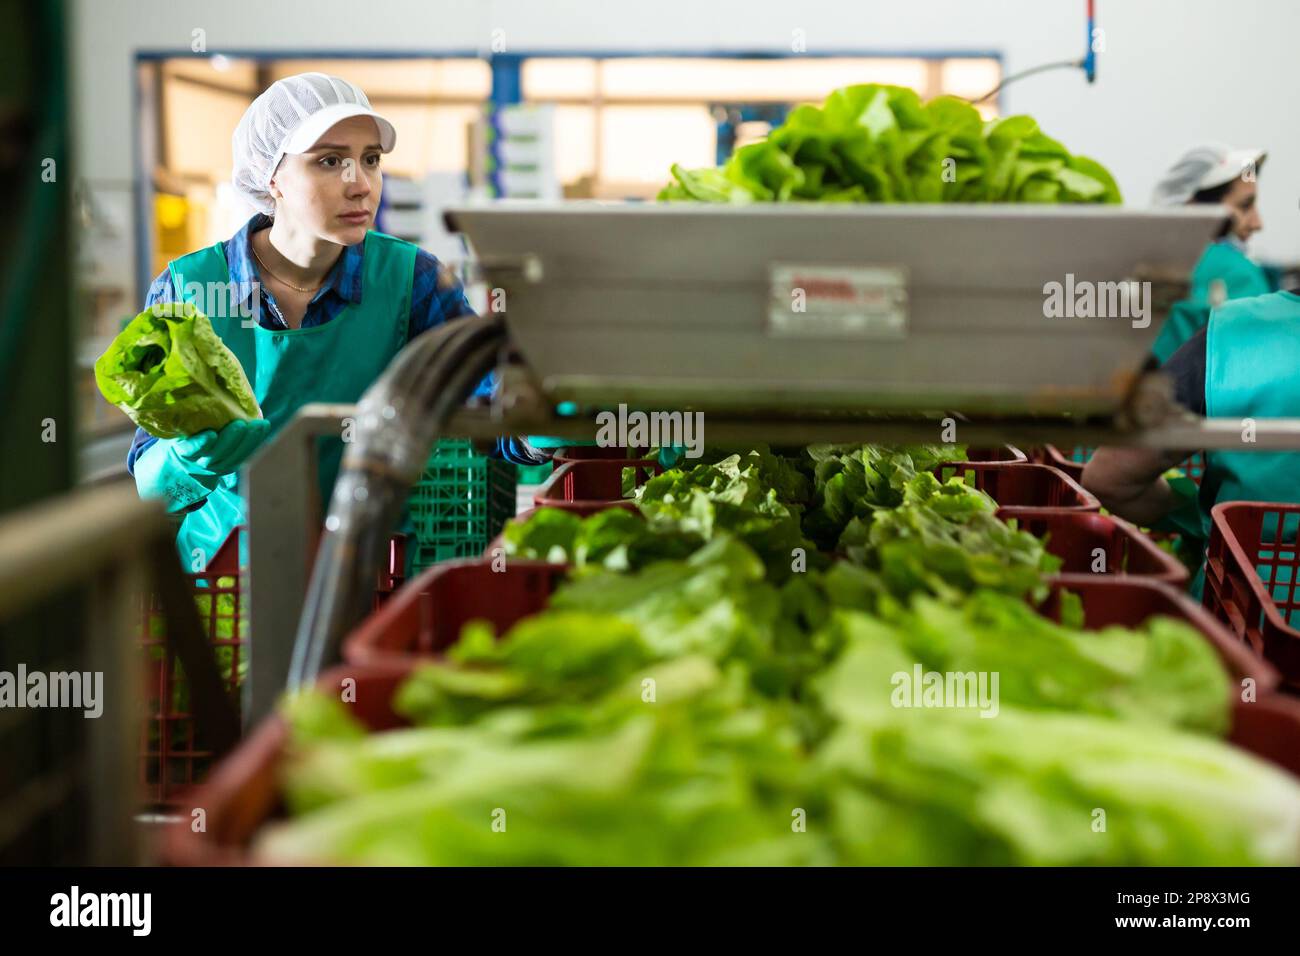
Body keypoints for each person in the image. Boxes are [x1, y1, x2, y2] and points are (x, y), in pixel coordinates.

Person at [128, 72, 541, 570]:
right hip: (229, 587)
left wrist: (545, 421)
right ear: (272, 177)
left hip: (369, 577)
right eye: (330, 161)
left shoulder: (411, 280)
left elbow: (489, 405)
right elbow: (150, 486)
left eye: (371, 160)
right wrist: (184, 460)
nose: (361, 184)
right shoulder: (190, 289)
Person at [1082, 284, 1300, 597]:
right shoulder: (1241, 275)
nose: (1256, 230)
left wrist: (1194, 514)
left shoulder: (1236, 330)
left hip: (1237, 610)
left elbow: (1109, 475)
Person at [1149, 142, 1269, 363]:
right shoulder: (1238, 273)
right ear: (1195, 210)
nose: (1257, 223)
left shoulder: (1140, 268)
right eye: (1245, 206)